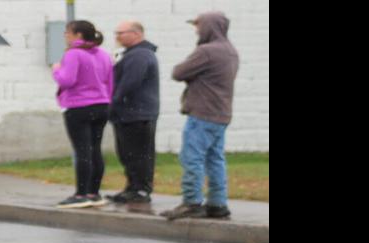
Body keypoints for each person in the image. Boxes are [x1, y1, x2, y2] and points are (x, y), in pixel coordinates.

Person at [164, 11, 239, 221]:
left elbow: (178, 72)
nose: (196, 29)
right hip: (221, 113)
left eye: (198, 25)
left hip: (202, 114)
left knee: (192, 158)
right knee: (215, 159)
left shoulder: (206, 51)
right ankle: (218, 204)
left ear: (208, 26)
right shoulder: (230, 50)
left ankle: (192, 203)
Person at [50, 20, 112, 208]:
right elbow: (110, 80)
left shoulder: (73, 54)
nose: (65, 36)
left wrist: (56, 70)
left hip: (79, 106)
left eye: (67, 33)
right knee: (95, 148)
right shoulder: (103, 54)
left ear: (78, 35)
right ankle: (94, 192)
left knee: (82, 150)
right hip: (102, 104)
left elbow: (67, 80)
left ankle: (80, 194)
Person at [108, 21, 159, 206]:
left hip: (138, 114)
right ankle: (131, 187)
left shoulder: (140, 55)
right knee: (127, 154)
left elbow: (129, 83)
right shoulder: (130, 54)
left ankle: (141, 189)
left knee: (139, 154)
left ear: (136, 34)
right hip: (127, 113)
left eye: (121, 33)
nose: (117, 37)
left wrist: (112, 102)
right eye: (116, 33)